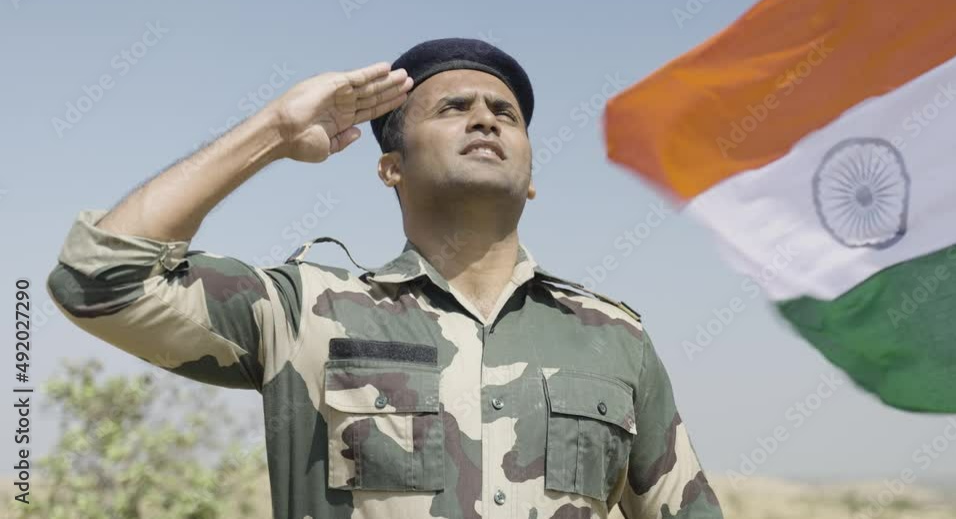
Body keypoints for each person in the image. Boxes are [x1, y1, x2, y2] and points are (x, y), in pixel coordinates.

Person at [46, 37, 723, 519]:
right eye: (453, 108)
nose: (485, 118)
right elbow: (98, 278)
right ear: (390, 166)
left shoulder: (614, 337)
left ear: (531, 177)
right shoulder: (308, 312)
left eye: (505, 113)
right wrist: (275, 131)